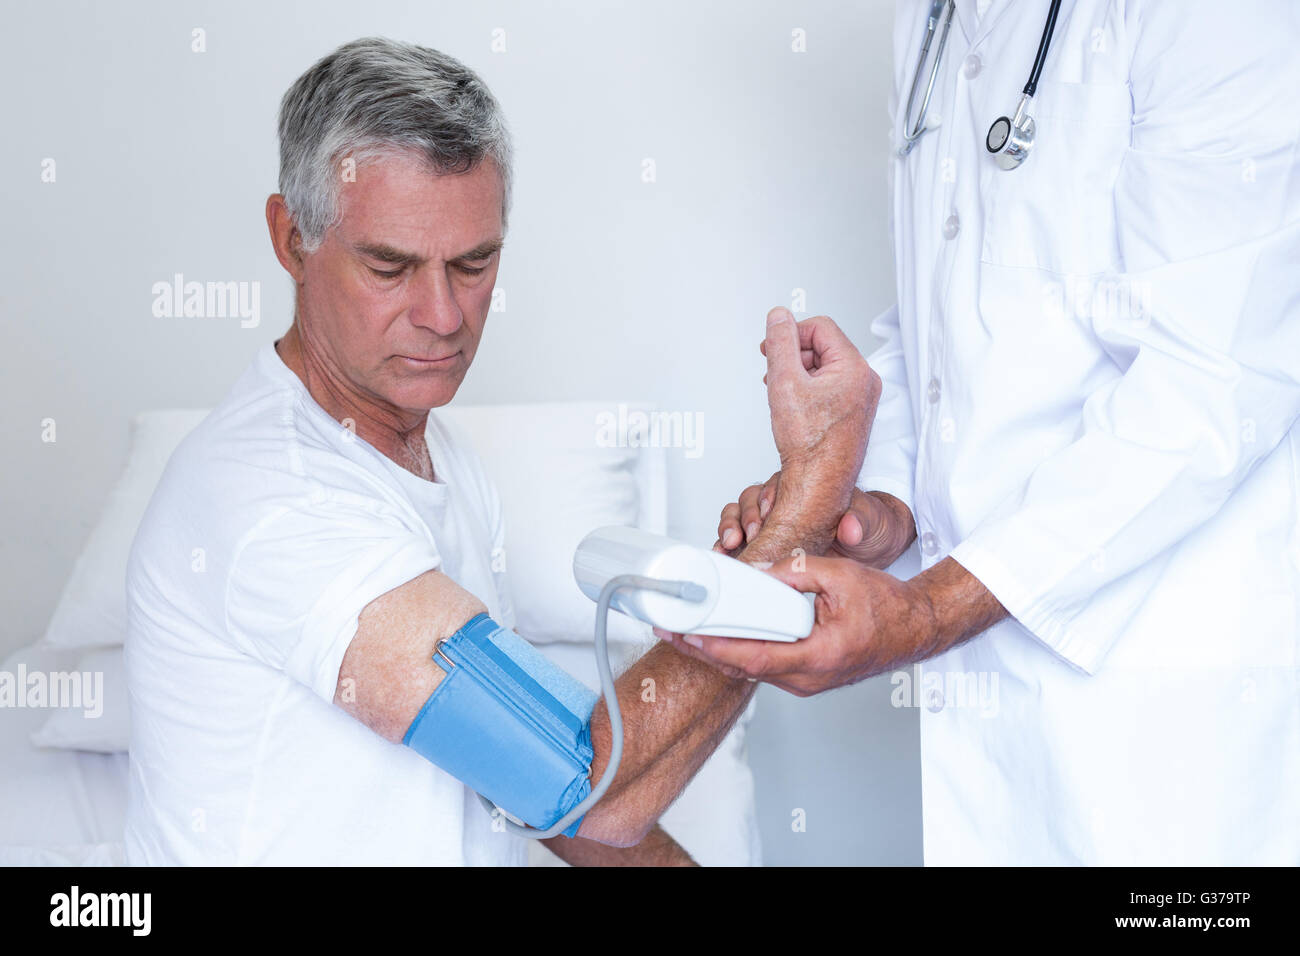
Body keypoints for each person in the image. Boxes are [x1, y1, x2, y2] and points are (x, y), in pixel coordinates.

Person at [122, 37, 868, 866]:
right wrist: (812, 492)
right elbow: (585, 788)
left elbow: (524, 775)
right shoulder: (270, 496)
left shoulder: (435, 449)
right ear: (291, 236)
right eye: (389, 266)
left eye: (474, 263)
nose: (443, 315)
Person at [666, 0, 1300, 864]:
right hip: (990, 697)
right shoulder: (930, 22)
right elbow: (958, 324)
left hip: (1167, 702)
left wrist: (927, 609)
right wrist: (875, 504)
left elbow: (1212, 378)